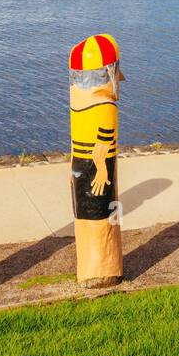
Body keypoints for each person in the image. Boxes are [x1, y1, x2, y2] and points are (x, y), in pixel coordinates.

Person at [68, 33, 124, 287]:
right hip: (99, 171)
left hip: (79, 168)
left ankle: (90, 269)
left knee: (85, 220)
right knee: (105, 221)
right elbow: (101, 148)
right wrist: (103, 172)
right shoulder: (105, 104)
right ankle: (103, 272)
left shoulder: (78, 101)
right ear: (109, 71)